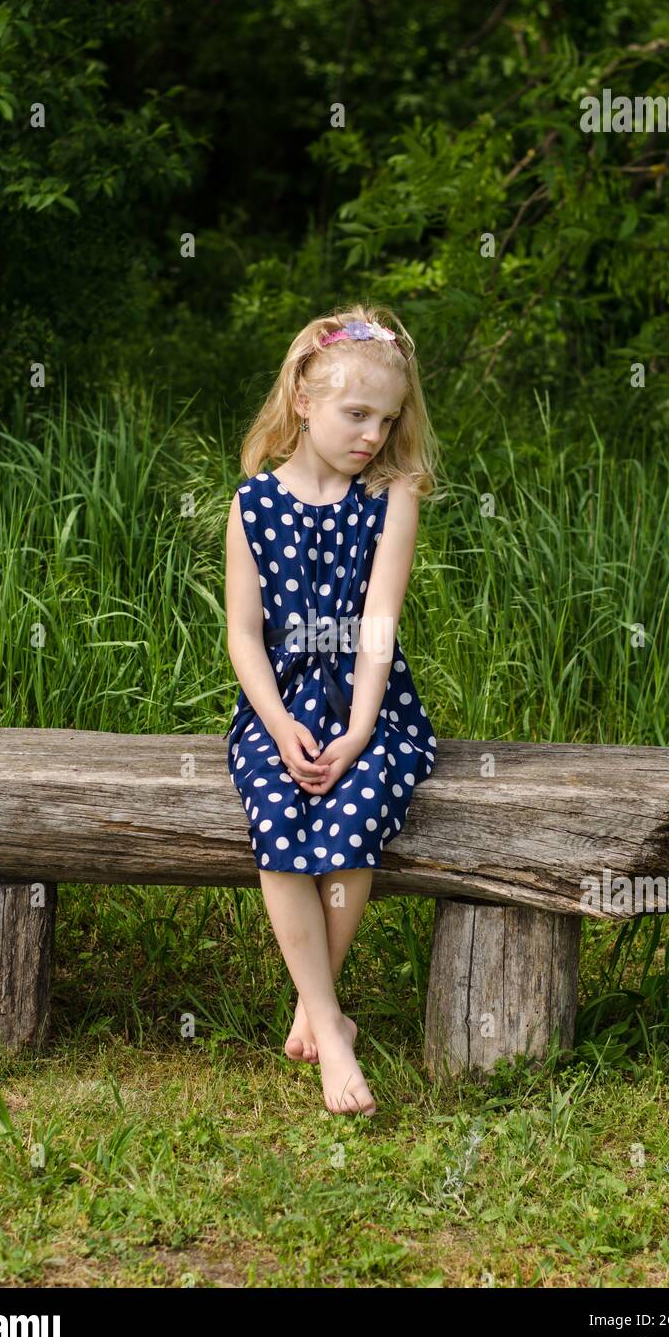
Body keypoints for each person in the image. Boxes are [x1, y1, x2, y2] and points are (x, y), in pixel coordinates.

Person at [223, 303, 438, 1117]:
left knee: (354, 809)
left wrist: (356, 731)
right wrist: (279, 725)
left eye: (386, 420)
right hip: (278, 703)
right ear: (303, 401)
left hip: (368, 702)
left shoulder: (391, 497)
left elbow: (378, 626)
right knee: (276, 815)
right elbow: (245, 637)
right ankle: (329, 1020)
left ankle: (315, 1006)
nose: (372, 435)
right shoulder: (251, 507)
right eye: (356, 414)